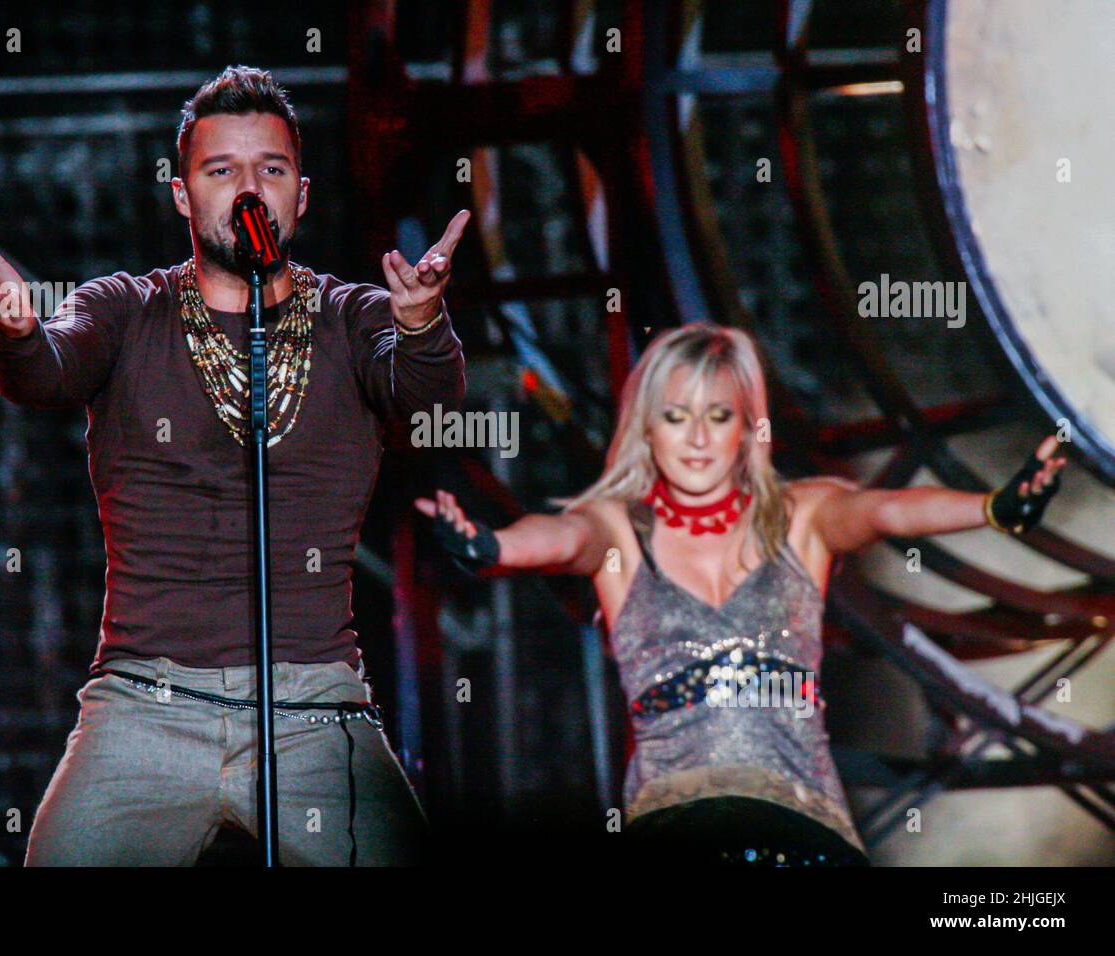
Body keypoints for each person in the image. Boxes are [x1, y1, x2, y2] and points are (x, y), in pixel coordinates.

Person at [0, 66, 469, 866]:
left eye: (271, 169)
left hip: (313, 707)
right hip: (144, 705)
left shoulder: (349, 316)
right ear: (180, 195)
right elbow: (46, 374)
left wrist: (422, 322)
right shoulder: (127, 309)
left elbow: (426, 390)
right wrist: (18, 331)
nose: (248, 189)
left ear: (301, 194)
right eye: (220, 170)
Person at [416, 323, 1064, 866]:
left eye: (717, 415)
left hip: (806, 829)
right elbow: (559, 537)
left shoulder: (801, 516)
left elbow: (887, 511)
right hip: (680, 829)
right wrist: (492, 546)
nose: (697, 438)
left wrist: (994, 505)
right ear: (647, 429)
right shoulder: (616, 529)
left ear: (746, 428)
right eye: (676, 416)